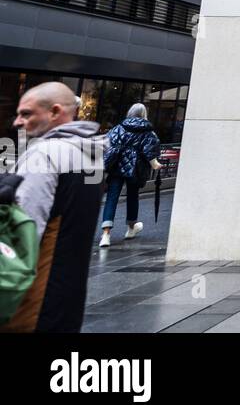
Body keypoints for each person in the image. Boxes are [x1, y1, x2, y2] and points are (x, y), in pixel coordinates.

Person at [2, 82, 104, 333]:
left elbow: (22, 230)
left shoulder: (44, 154)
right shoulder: (93, 154)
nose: (17, 122)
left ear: (55, 112)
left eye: (26, 113)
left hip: (33, 299)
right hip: (70, 294)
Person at [98, 103, 163, 248]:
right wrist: (155, 164)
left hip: (117, 167)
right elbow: (150, 150)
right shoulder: (147, 130)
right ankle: (131, 228)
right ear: (144, 114)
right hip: (136, 168)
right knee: (133, 196)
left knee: (112, 197)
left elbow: (107, 143)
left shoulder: (119, 127)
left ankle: (106, 234)